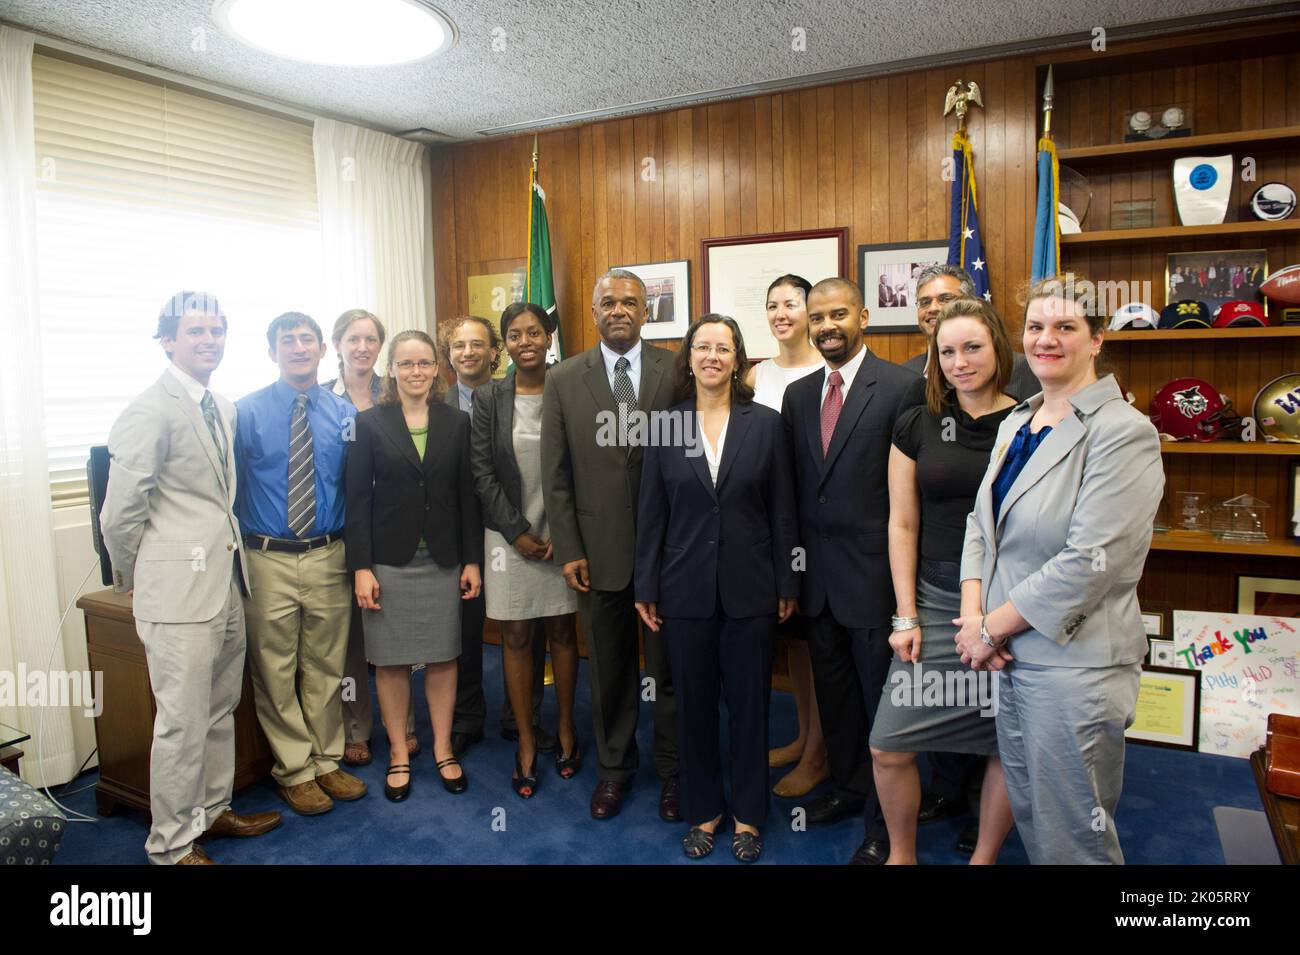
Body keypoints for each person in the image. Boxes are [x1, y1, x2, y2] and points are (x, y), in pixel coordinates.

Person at [957, 276, 1164, 864]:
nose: (1046, 340)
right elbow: (981, 528)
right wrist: (975, 616)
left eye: (1066, 327)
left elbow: (1090, 562)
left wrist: (989, 627)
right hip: (1015, 657)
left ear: (1097, 340)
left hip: (1077, 667)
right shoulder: (1016, 423)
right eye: (1036, 328)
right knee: (1035, 818)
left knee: (1076, 834)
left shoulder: (1124, 432)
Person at [101, 291, 281, 864]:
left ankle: (211, 810)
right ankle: (171, 844)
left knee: (219, 707)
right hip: (177, 593)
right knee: (180, 722)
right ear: (168, 340)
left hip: (226, 581)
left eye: (217, 331)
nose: (209, 341)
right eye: (196, 332)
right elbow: (120, 513)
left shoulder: (221, 406)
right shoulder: (148, 410)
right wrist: (138, 573)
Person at [635, 314, 798, 863]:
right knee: (694, 706)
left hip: (752, 588)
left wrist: (787, 578)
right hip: (683, 590)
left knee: (752, 706)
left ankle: (749, 814)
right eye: (701, 347)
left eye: (722, 348)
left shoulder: (767, 424)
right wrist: (646, 582)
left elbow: (782, 511)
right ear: (688, 358)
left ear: (737, 359)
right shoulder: (665, 426)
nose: (711, 356)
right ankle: (704, 809)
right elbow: (650, 513)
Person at [869, 297, 1018, 865]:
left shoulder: (1030, 421)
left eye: (972, 347)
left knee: (1005, 747)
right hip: (934, 603)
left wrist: (1001, 620)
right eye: (947, 350)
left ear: (998, 350)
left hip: (1009, 611)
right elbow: (902, 522)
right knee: (887, 744)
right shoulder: (916, 421)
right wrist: (905, 614)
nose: (960, 361)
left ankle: (984, 857)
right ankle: (901, 855)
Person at [781, 276, 918, 865]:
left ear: (862, 315)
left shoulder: (902, 386)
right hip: (816, 581)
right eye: (817, 318)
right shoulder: (798, 394)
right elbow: (791, 492)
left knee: (878, 708)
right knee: (835, 700)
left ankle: (882, 826)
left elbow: (909, 498)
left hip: (875, 580)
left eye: (838, 314)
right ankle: (847, 788)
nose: (827, 326)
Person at [542, 268, 680, 822]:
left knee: (670, 672)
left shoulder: (678, 369)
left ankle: (674, 772)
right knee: (610, 671)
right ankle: (615, 770)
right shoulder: (564, 378)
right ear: (594, 312)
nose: (619, 310)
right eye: (608, 302)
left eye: (630, 302)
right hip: (595, 555)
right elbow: (555, 475)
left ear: (647, 312)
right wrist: (569, 547)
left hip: (669, 553)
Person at [235, 313, 367, 815]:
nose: (297, 347)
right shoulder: (244, 413)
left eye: (305, 339)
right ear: (272, 352)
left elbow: (355, 488)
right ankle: (294, 770)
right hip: (267, 557)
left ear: (320, 350)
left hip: (329, 554)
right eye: (286, 341)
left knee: (326, 666)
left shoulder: (343, 413)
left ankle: (327, 760)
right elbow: (228, 489)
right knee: (274, 668)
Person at [346, 330, 484, 801]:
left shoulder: (456, 422)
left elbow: (467, 497)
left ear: (436, 368)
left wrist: (472, 560)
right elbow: (357, 500)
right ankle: (399, 756)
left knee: (445, 656)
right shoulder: (369, 423)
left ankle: (444, 749)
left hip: (443, 560)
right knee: (390, 661)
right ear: (392, 370)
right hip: (388, 561)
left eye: (424, 363)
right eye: (406, 364)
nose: (416, 372)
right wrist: (361, 567)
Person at [471, 303, 581, 798]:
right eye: (514, 335)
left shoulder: (571, 385)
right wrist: (516, 531)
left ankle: (565, 730)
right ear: (505, 345)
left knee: (562, 629)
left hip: (564, 532)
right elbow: (482, 472)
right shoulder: (489, 398)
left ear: (549, 335)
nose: (525, 341)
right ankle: (526, 743)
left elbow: (587, 465)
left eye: (534, 332)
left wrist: (568, 530)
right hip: (507, 536)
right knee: (515, 634)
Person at [440, 315, 552, 757]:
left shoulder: (514, 394)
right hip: (461, 533)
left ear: (493, 351)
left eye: (476, 344)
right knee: (465, 629)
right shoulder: (436, 403)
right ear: (448, 356)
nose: (467, 352)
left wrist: (518, 528)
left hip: (510, 528)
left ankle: (521, 718)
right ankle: (467, 718)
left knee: (525, 626)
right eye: (457, 346)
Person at [322, 309, 420, 769]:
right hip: (339, 528)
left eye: (371, 339)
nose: (362, 347)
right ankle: (357, 728)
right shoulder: (321, 399)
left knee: (397, 634)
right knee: (353, 641)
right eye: (353, 338)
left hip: (395, 531)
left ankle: (404, 727)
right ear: (338, 344)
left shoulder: (397, 391)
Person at [744, 274, 827, 799]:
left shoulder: (829, 370)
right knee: (795, 641)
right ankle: (802, 736)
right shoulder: (754, 376)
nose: (780, 313)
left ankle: (821, 753)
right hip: (769, 524)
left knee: (820, 641)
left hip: (815, 524)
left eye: (791, 303)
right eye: (772, 304)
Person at [902, 264, 1040, 403]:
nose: (933, 308)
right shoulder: (906, 373)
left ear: (969, 302)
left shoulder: (1023, 368)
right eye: (925, 302)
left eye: (945, 298)